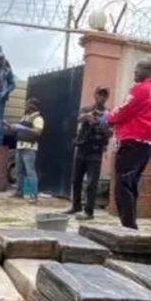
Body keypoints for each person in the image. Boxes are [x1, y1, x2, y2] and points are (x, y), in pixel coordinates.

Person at [91, 58, 151, 229]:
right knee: (131, 185)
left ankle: (129, 228)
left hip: (132, 143)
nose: (134, 71)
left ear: (148, 70)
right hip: (146, 145)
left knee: (122, 187)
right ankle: (130, 225)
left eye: (138, 68)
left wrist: (106, 118)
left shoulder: (140, 89)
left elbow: (124, 110)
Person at [65, 87, 112, 220]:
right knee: (76, 180)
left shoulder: (108, 113)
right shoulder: (86, 110)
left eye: (104, 95)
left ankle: (89, 212)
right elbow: (78, 119)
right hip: (82, 149)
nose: (101, 97)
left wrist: (103, 127)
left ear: (107, 97)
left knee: (92, 183)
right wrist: (86, 118)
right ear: (95, 95)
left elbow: (111, 132)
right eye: (99, 94)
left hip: (96, 152)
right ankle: (76, 206)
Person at [11, 98, 44, 203]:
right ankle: (19, 192)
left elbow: (38, 132)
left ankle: (33, 195)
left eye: (28, 104)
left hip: (29, 148)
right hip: (20, 146)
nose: (26, 106)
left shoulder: (38, 118)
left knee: (30, 172)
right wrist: (14, 128)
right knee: (19, 171)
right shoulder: (25, 117)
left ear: (33, 106)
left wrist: (22, 128)